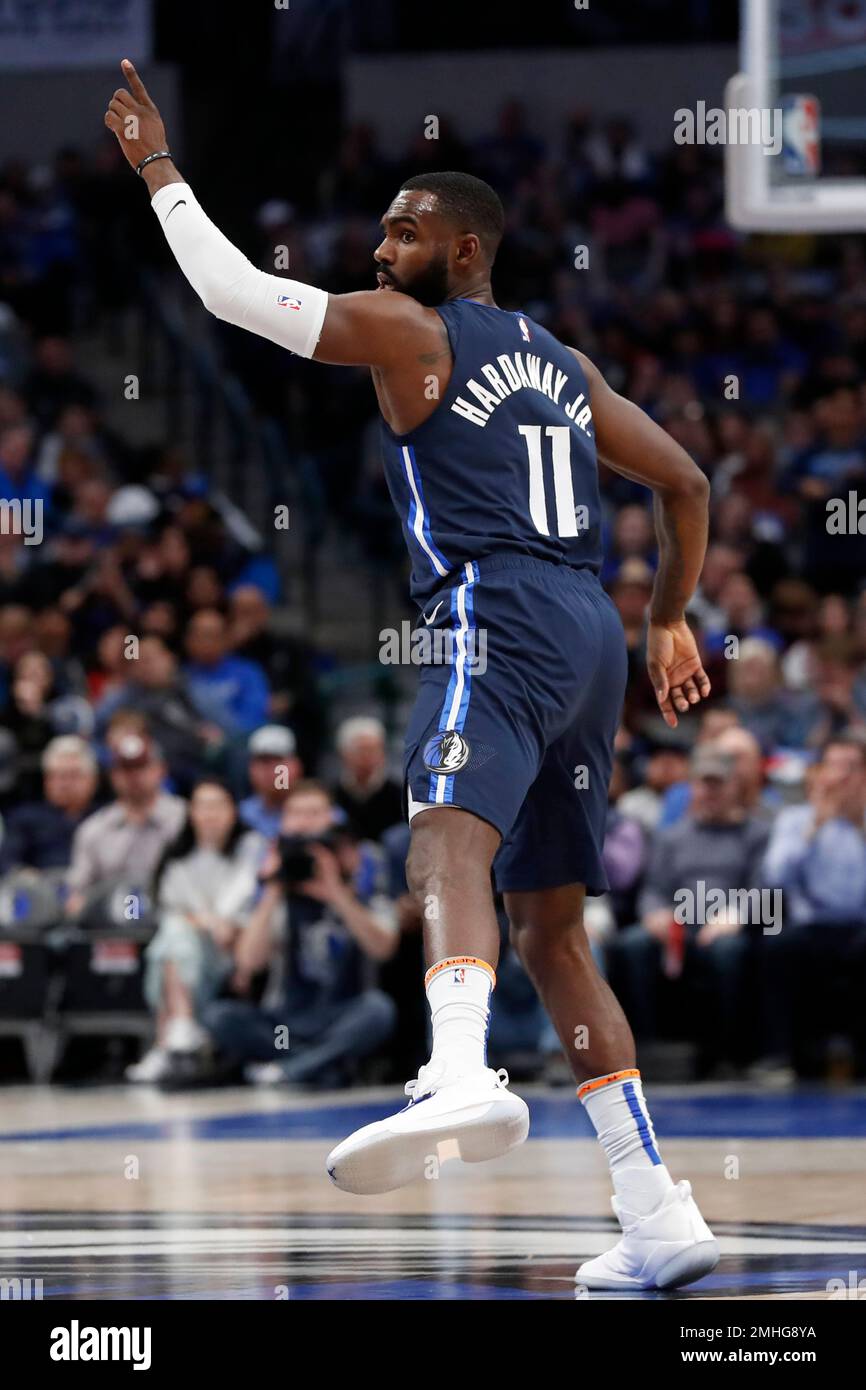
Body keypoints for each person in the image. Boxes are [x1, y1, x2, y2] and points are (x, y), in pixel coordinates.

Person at [106, 63, 717, 1290]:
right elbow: (688, 483)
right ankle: (657, 1212)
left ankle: (456, 1069)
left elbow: (233, 296)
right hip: (591, 627)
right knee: (553, 932)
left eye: (404, 229)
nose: (380, 247)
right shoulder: (561, 360)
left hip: (495, 605)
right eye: (382, 227)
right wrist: (666, 622)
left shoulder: (416, 331)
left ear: (467, 249)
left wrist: (160, 172)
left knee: (440, 834)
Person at [203, 781, 397, 1087]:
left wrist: (336, 891)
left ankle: (293, 1069)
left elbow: (383, 948)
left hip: (341, 1013)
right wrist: (273, 890)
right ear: (284, 824)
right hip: (285, 1021)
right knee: (220, 1016)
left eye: (314, 813)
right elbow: (248, 963)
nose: (305, 822)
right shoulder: (270, 873)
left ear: (334, 820)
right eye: (296, 814)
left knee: (379, 1010)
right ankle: (319, 1064)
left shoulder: (364, 862)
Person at [128, 779, 264, 1084]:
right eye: (203, 807)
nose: (210, 815)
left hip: (235, 950)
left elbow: (239, 904)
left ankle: (167, 1039)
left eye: (218, 806)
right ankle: (180, 1025)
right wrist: (205, 922)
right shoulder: (176, 857)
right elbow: (172, 910)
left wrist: (213, 922)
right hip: (192, 946)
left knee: (171, 941)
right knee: (174, 937)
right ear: (191, 813)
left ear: (233, 811)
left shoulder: (250, 848)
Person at [65, 731, 186, 918]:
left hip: (173, 918)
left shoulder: (184, 818)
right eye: (126, 769)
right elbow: (78, 892)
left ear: (160, 770)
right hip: (112, 924)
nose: (134, 776)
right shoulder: (94, 829)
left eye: (141, 767)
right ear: (114, 775)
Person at [331, 715, 402, 841]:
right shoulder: (332, 794)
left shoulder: (399, 793)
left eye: (374, 749)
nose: (368, 756)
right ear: (344, 754)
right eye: (362, 750)